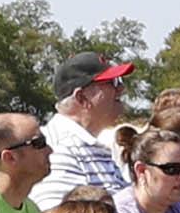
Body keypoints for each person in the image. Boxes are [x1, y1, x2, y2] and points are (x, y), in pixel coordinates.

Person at [41, 57, 141, 203]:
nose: (121, 89)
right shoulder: (57, 147)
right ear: (82, 98)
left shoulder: (91, 146)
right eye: (112, 83)